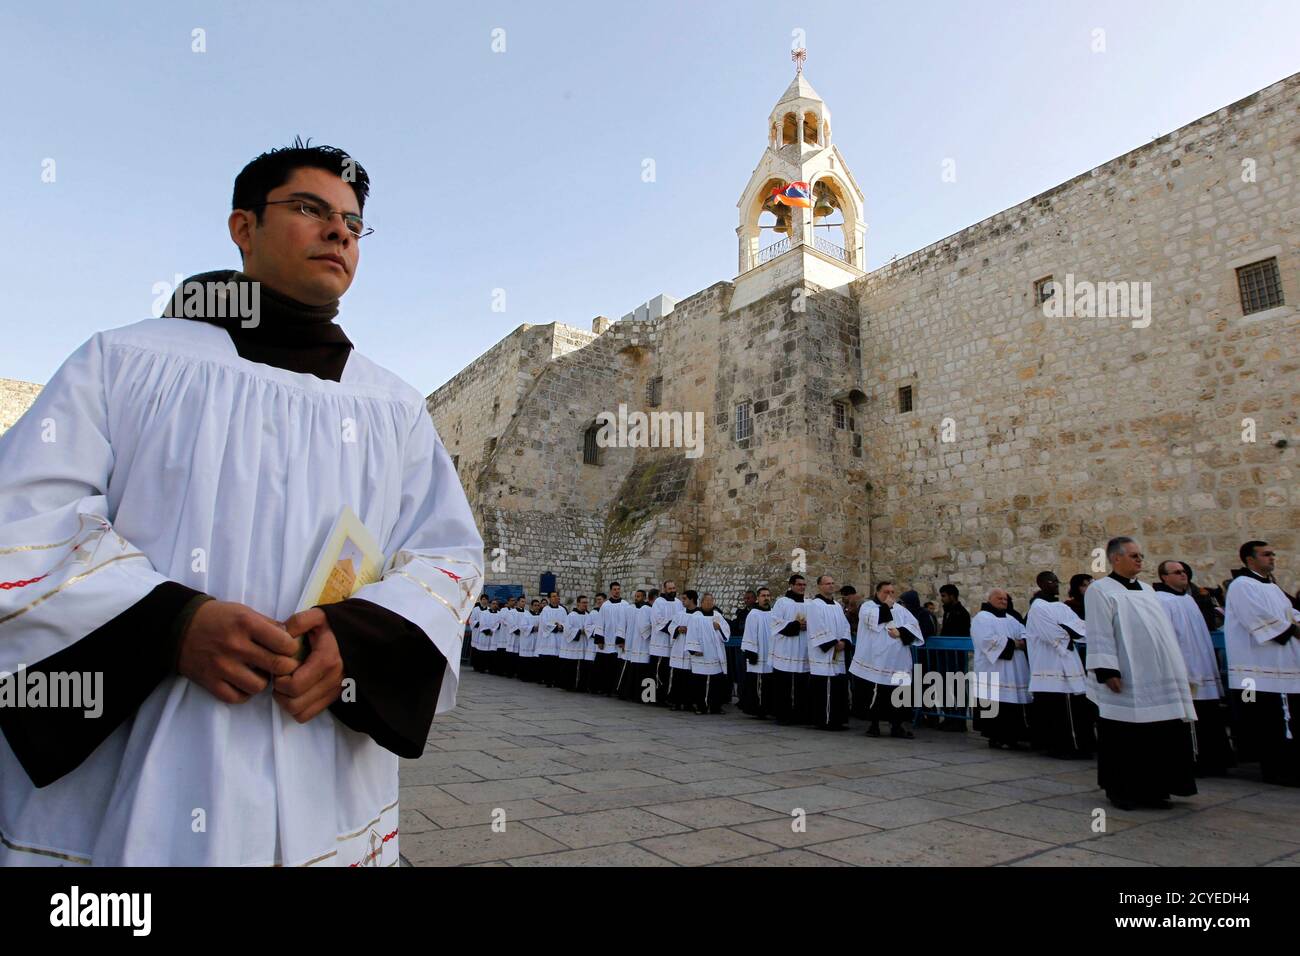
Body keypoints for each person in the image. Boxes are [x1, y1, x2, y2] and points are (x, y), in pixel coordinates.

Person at [0, 141, 483, 866]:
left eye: (354, 223)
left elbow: (447, 555)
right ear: (243, 227)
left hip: (320, 751)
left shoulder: (394, 407)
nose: (339, 233)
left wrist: (356, 641)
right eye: (311, 210)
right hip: (147, 756)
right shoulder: (125, 361)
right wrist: (170, 623)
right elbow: (24, 519)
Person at [1085, 537, 1197, 810]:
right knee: (1126, 736)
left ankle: (1157, 790)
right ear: (1115, 559)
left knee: (1160, 734)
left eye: (1140, 556)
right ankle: (1123, 790)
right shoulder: (1100, 590)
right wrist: (1107, 669)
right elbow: (1099, 631)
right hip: (1127, 674)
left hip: (1158, 673)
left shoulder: (1148, 590)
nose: (1139, 560)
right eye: (1134, 555)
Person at [1224, 540, 1300, 786]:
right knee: (1268, 723)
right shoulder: (1242, 585)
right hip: (1258, 667)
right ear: (1250, 559)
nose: (1272, 558)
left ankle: (1290, 767)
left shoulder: (1272, 587)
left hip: (1282, 666)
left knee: (1285, 720)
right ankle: (1277, 771)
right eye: (1266, 555)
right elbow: (1257, 619)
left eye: (1272, 554)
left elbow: (1290, 613)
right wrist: (1294, 630)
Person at [1155, 561, 1233, 775]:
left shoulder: (1189, 599)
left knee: (1209, 713)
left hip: (1203, 664)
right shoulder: (1161, 601)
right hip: (1185, 666)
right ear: (1164, 577)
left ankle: (1216, 758)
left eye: (1184, 572)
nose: (1183, 575)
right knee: (1192, 715)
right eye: (1177, 572)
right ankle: (1197, 758)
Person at [1024, 573, 1094, 758]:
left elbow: (1080, 627)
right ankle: (1063, 747)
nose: (1056, 583)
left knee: (1076, 707)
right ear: (1040, 583)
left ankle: (1081, 745)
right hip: (1051, 665)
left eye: (1057, 580)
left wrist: (1081, 632)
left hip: (1069, 661)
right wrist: (1070, 633)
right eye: (1051, 581)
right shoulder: (1037, 608)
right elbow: (1053, 634)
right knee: (1057, 710)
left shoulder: (1061, 606)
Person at [851, 581, 923, 738]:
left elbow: (914, 626)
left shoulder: (900, 609)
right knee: (876, 694)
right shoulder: (868, 607)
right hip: (876, 660)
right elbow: (873, 621)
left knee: (898, 694)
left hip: (897, 660)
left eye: (892, 592)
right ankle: (874, 725)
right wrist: (887, 607)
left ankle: (897, 726)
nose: (890, 595)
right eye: (886, 592)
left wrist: (901, 632)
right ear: (877, 592)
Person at [970, 590, 1031, 749]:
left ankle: (1013, 737)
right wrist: (1015, 644)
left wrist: (1018, 642)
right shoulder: (982, 618)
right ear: (989, 599)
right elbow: (987, 641)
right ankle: (996, 737)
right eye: (999, 598)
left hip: (1014, 670)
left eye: (1005, 599)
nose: (1003, 601)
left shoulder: (1011, 618)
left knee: (1013, 703)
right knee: (995, 702)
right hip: (993, 669)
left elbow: (1025, 634)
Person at [806, 574, 852, 730]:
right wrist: (833, 642)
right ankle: (824, 720)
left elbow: (846, 625)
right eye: (827, 584)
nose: (831, 586)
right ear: (819, 586)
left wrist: (844, 641)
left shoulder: (837, 606)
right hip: (823, 654)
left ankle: (837, 719)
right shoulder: (814, 605)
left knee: (838, 687)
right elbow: (817, 627)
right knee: (824, 688)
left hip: (838, 652)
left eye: (833, 583)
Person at [767, 574, 811, 724]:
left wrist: (808, 625)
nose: (802, 587)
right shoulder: (782, 602)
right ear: (791, 585)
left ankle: (801, 714)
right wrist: (797, 625)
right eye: (799, 584)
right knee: (783, 685)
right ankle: (783, 715)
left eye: (804, 585)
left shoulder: (809, 603)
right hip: (785, 649)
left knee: (802, 685)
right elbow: (775, 623)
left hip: (803, 650)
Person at [687, 593, 731, 714]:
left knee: (716, 682)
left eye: (711, 601)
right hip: (701, 654)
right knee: (699, 681)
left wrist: (719, 627)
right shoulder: (696, 617)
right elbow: (691, 633)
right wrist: (694, 650)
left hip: (715, 654)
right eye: (706, 601)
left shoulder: (718, 616)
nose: (709, 603)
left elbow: (726, 631)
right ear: (701, 603)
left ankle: (715, 706)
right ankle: (700, 706)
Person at [739, 587, 773, 717]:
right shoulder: (753, 614)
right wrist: (751, 652)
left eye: (768, 595)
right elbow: (749, 633)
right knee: (757, 682)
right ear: (758, 598)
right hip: (758, 653)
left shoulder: (773, 613)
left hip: (770, 653)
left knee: (769, 682)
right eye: (763, 596)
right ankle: (756, 708)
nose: (766, 598)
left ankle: (768, 707)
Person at [617, 588, 654, 701]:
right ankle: (624, 693)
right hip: (629, 643)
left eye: (639, 596)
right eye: (636, 596)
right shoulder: (628, 609)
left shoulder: (649, 610)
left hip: (643, 644)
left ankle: (639, 695)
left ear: (644, 597)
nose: (636, 598)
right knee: (627, 669)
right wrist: (621, 640)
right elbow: (622, 625)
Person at [649, 581, 681, 706]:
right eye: (670, 588)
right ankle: (653, 697)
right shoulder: (658, 602)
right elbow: (657, 620)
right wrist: (674, 628)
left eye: (674, 588)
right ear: (664, 589)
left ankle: (667, 697)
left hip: (673, 644)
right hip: (660, 643)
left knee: (668, 673)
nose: (672, 590)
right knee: (657, 672)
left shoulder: (678, 603)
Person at [667, 591, 698, 711]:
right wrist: (678, 628)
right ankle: (676, 701)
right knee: (677, 678)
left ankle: (689, 702)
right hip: (679, 649)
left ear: (692, 599)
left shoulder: (699, 615)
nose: (682, 601)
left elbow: (702, 631)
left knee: (691, 679)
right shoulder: (679, 614)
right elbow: (671, 627)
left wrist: (689, 630)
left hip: (691, 652)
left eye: (684, 599)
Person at [559, 595, 591, 692]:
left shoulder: (588, 615)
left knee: (583, 667)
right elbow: (567, 630)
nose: (585, 605)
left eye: (586, 602)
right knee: (571, 667)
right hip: (573, 646)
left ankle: (581, 686)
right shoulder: (571, 616)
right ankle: (569, 685)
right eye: (583, 602)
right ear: (578, 604)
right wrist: (580, 631)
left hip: (584, 645)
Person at [537, 591, 567, 688]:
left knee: (557, 661)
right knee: (549, 661)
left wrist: (562, 626)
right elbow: (544, 623)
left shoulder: (562, 610)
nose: (556, 598)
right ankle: (548, 680)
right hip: (549, 639)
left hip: (559, 638)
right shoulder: (545, 610)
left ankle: (557, 680)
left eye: (557, 596)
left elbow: (567, 622)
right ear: (550, 598)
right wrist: (555, 626)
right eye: (553, 596)